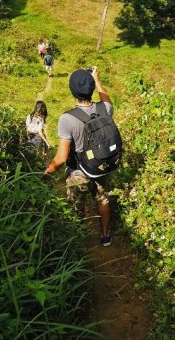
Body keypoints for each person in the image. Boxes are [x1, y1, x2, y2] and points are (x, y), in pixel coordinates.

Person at [43, 67, 114, 246]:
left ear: (72, 91)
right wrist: (97, 80)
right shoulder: (105, 109)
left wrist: (47, 172)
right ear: (91, 89)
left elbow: (60, 158)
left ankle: (78, 242)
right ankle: (105, 236)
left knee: (77, 207)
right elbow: (105, 97)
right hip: (101, 167)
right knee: (102, 200)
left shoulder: (67, 119)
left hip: (78, 172)